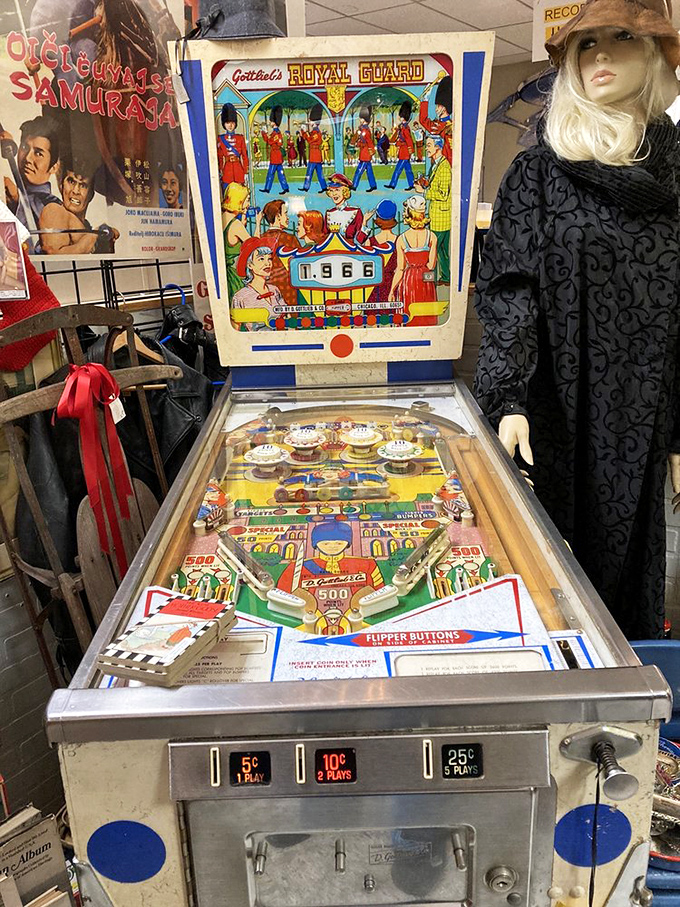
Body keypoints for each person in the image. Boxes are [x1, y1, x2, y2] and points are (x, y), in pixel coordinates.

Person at [473, 0, 680, 639]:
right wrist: (506, 397)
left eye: (623, 38)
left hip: (643, 412)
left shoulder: (675, 177)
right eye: (586, 44)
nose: (601, 55)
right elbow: (509, 289)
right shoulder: (538, 172)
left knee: (626, 579)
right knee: (549, 578)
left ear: (655, 56)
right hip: (555, 407)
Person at [278, 520, 384, 635]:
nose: (332, 546)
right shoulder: (296, 567)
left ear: (347, 543)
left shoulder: (367, 565)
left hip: (360, 622)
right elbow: (282, 596)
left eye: (339, 543)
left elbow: (379, 593)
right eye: (326, 543)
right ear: (315, 544)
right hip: (307, 624)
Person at [40, 152, 119, 255]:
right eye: (71, 182)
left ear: (91, 194)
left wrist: (105, 239)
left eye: (83, 185)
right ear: (61, 186)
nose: (75, 191)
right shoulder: (54, 210)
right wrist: (94, 236)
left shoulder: (87, 227)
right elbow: (54, 254)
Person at [1, 116, 61, 240]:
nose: (28, 158)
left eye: (38, 153)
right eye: (24, 148)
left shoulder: (53, 205)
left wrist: (16, 198)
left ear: (54, 167)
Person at [389, 195, 437, 326]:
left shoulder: (401, 239)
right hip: (425, 280)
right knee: (426, 316)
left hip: (408, 280)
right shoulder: (432, 236)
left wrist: (392, 290)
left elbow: (400, 269)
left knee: (409, 316)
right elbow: (431, 265)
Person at [415, 134, 451, 284]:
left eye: (429, 145)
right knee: (441, 250)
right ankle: (446, 277)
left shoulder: (444, 168)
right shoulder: (436, 164)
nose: (426, 148)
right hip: (438, 215)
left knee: (433, 249)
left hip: (441, 218)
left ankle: (430, 279)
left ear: (438, 147)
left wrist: (423, 192)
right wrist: (424, 182)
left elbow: (443, 194)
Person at [231, 236, 283, 330]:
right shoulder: (240, 297)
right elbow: (235, 330)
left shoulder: (274, 290)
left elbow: (287, 317)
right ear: (249, 265)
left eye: (269, 259)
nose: (267, 263)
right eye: (261, 259)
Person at [222, 182, 263, 298]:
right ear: (239, 200)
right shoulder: (236, 225)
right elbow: (255, 246)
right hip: (235, 276)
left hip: (226, 275)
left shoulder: (223, 217)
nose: (249, 204)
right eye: (247, 200)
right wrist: (258, 223)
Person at [356, 198, 398, 306]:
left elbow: (361, 254)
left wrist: (364, 222)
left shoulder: (370, 241)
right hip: (392, 282)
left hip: (373, 284)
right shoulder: (399, 240)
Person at [260, 199, 301, 306]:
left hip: (267, 288)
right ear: (278, 216)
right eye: (285, 214)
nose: (288, 218)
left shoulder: (261, 239)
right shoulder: (290, 239)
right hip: (288, 289)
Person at [419, 75, 452, 165]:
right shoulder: (436, 124)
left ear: (444, 108)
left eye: (439, 106)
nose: (436, 109)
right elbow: (423, 120)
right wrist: (425, 99)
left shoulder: (450, 127)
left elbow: (450, 152)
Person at [324, 173, 363, 241]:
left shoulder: (356, 212)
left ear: (345, 192)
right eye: (331, 191)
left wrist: (365, 222)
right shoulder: (329, 213)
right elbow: (325, 236)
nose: (334, 194)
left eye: (337, 190)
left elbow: (361, 240)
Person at [217, 103, 249, 187]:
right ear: (224, 124)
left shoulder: (240, 138)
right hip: (227, 170)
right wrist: (220, 170)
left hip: (239, 169)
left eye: (232, 122)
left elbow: (245, 156)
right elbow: (220, 157)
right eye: (227, 122)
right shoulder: (221, 139)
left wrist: (246, 172)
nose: (230, 125)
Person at [386, 100, 415, 190]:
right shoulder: (402, 127)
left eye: (401, 116)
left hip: (405, 152)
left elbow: (408, 140)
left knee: (398, 169)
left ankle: (392, 184)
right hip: (403, 151)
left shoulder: (405, 128)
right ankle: (411, 184)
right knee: (408, 170)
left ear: (403, 117)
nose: (399, 117)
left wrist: (406, 147)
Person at [261, 106, 289, 195]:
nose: (270, 122)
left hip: (275, 155)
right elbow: (269, 140)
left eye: (271, 121)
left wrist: (265, 133)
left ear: (274, 122)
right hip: (276, 155)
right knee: (280, 173)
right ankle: (285, 188)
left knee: (271, 173)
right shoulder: (274, 133)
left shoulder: (276, 133)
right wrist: (264, 133)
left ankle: (267, 188)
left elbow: (270, 141)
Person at [301, 104, 327, 192]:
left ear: (315, 122)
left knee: (311, 172)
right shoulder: (314, 132)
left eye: (311, 120)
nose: (309, 121)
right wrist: (303, 131)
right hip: (314, 155)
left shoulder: (316, 133)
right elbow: (307, 137)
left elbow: (309, 140)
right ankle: (323, 187)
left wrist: (305, 132)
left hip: (315, 155)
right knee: (318, 173)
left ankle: (307, 187)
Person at [353, 106, 377, 192]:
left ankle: (354, 185)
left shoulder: (365, 130)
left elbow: (369, 142)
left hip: (365, 154)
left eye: (361, 118)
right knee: (369, 171)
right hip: (364, 152)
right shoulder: (362, 129)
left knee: (359, 170)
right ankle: (373, 185)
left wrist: (371, 152)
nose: (360, 119)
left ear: (364, 119)